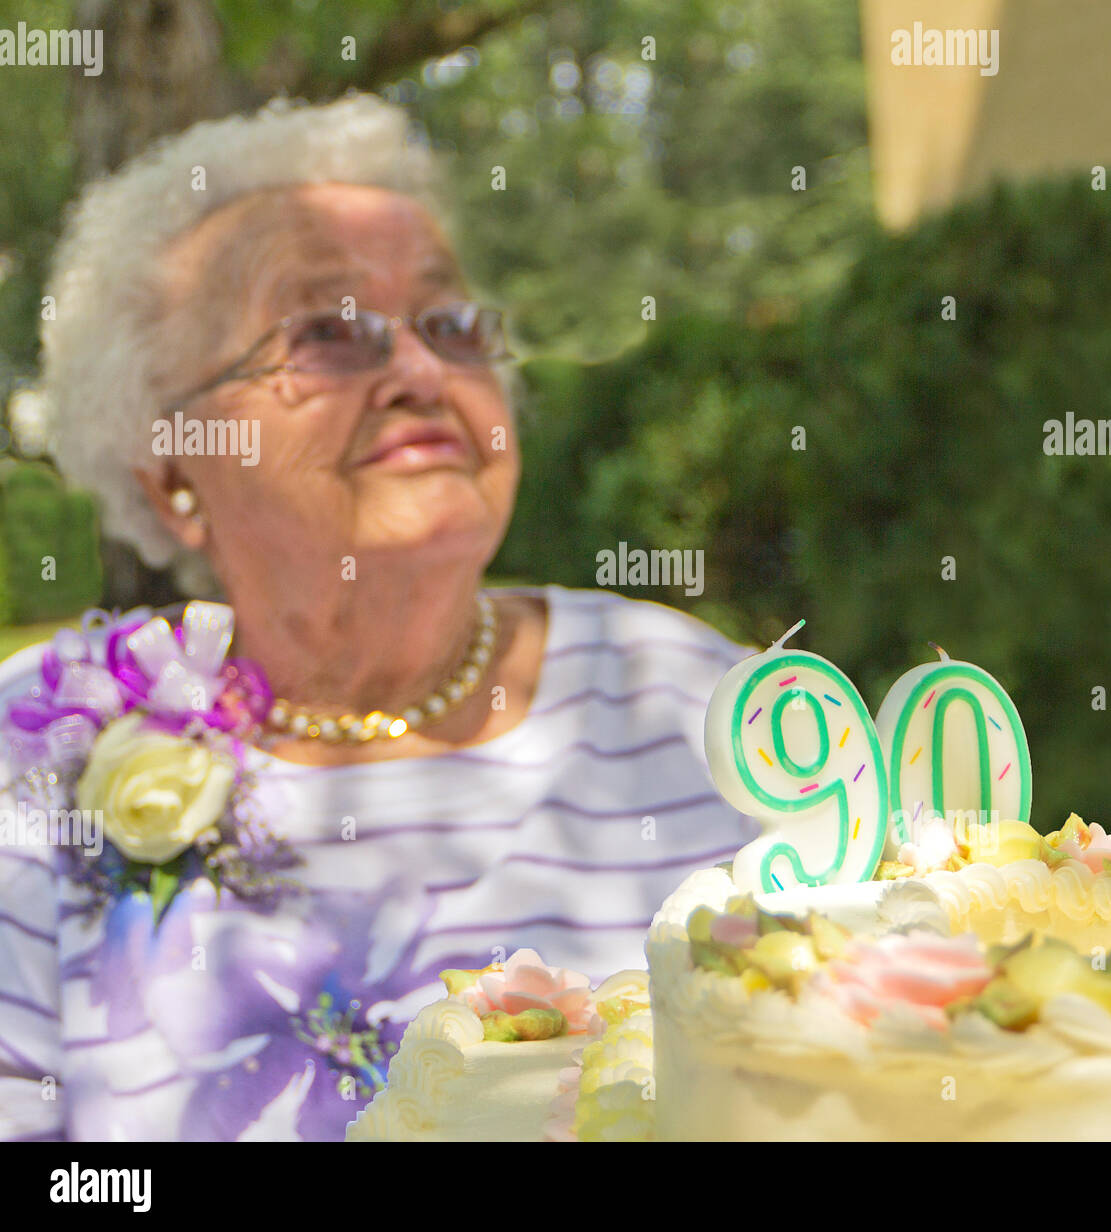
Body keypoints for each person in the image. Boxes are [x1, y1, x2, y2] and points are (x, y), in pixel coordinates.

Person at [0, 94, 757, 1141]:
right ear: (170, 466)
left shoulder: (701, 705)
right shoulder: (39, 757)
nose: (418, 372)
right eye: (325, 333)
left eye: (450, 325)